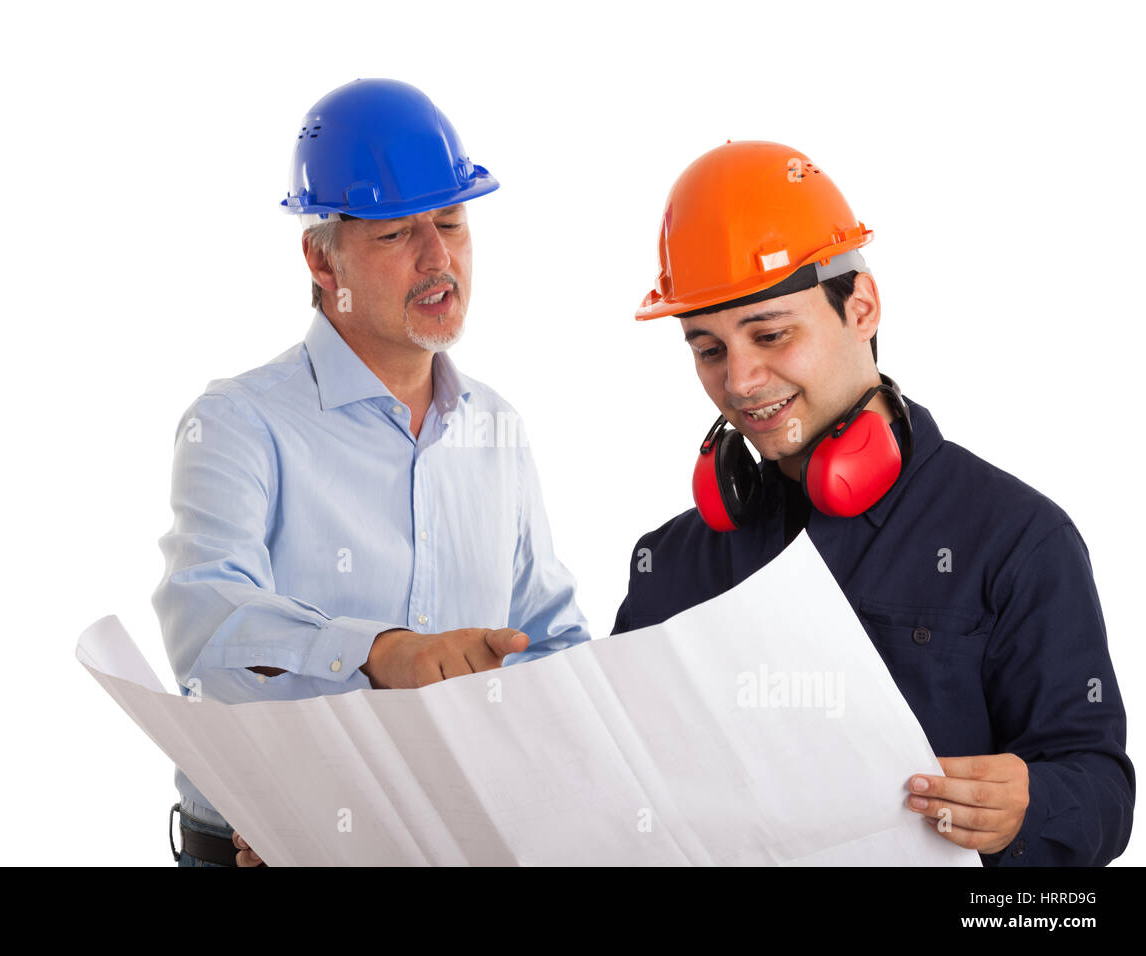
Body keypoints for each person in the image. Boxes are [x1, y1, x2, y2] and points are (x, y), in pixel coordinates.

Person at [613, 140, 1133, 865]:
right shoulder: (667, 562)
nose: (740, 381)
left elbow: (1099, 788)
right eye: (708, 350)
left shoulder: (1018, 540)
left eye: (769, 333)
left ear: (861, 306)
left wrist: (1030, 806)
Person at [153, 78, 590, 867]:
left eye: (452, 223)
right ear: (323, 260)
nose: (439, 258)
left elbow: (552, 641)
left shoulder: (497, 429)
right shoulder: (238, 424)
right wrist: (378, 652)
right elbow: (210, 633)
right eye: (395, 235)